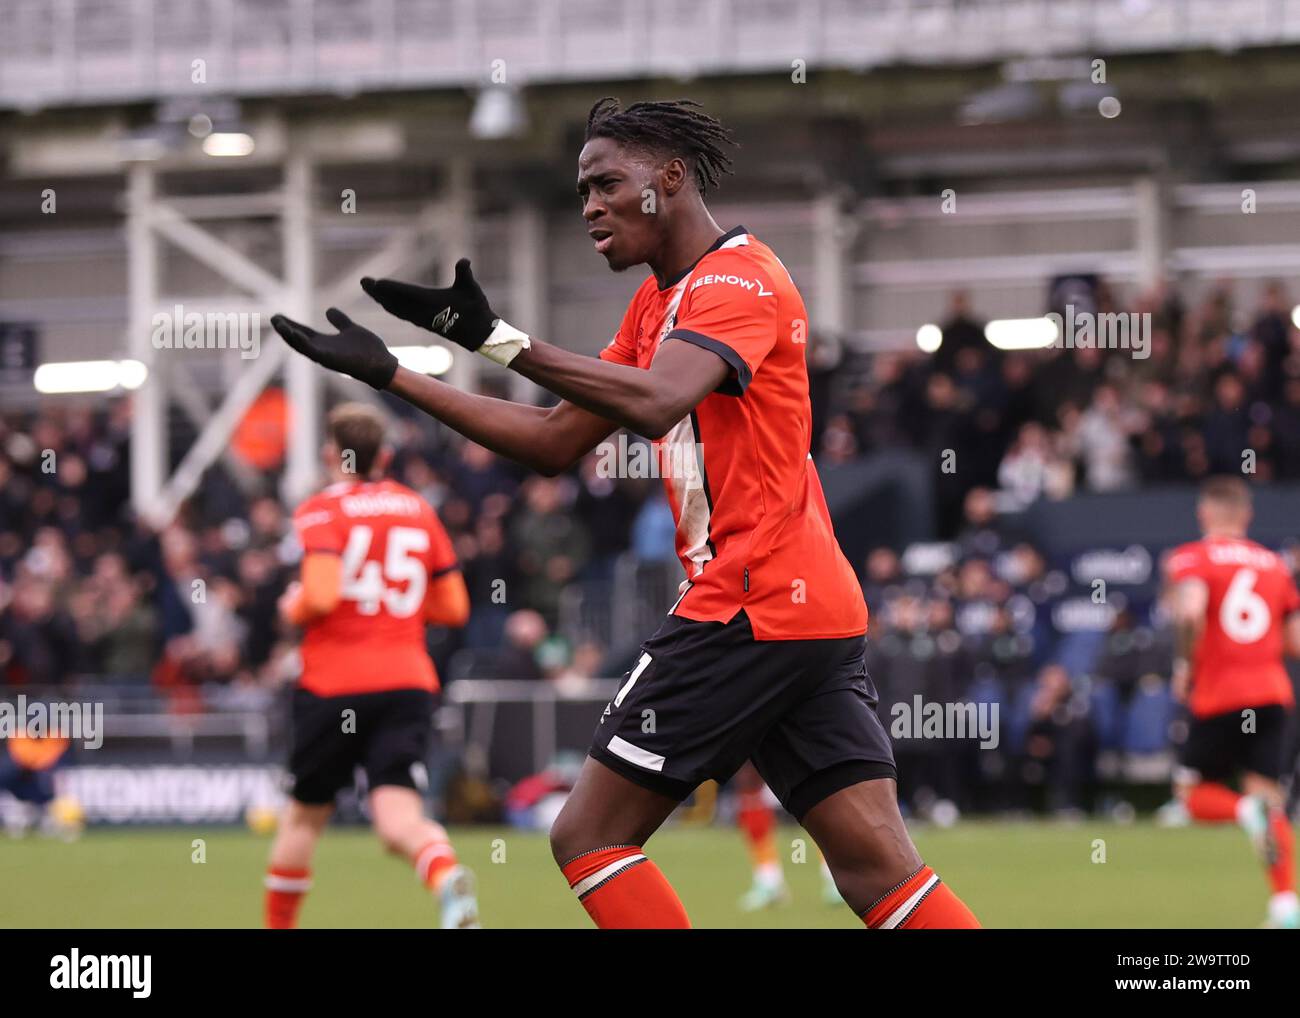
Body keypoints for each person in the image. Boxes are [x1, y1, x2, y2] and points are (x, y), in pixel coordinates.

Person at [271, 97, 979, 929]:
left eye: (607, 183)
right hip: (806, 609)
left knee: (588, 836)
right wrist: (395, 375)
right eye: (581, 193)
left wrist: (497, 336)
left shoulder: (737, 278)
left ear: (669, 178)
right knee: (877, 871)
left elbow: (656, 400)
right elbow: (553, 439)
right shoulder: (655, 306)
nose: (590, 208)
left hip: (748, 600)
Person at [263, 403, 479, 929]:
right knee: (398, 818)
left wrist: (287, 605)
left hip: (333, 683)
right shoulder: (417, 508)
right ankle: (445, 873)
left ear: (329, 455)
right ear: (384, 455)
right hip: (407, 679)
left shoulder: (319, 510)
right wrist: (394, 606)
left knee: (304, 817)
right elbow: (454, 608)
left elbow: (319, 595)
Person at [1164, 476, 1300, 928]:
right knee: (1271, 801)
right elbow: (1294, 640)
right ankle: (1285, 904)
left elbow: (1189, 610)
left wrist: (1185, 665)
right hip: (1271, 692)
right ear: (1247, 515)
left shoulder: (1192, 557)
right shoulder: (1274, 565)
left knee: (1192, 796)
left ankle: (1243, 810)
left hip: (1221, 694)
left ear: (1204, 514)